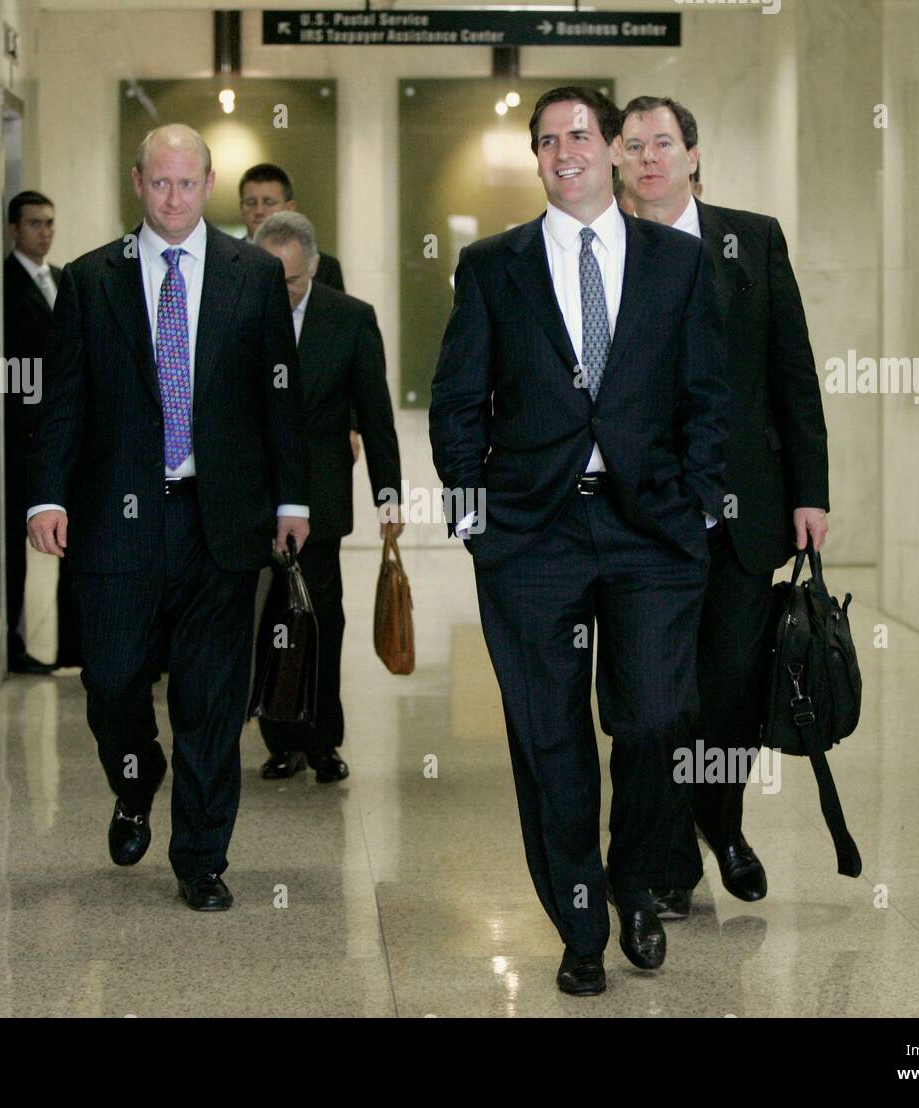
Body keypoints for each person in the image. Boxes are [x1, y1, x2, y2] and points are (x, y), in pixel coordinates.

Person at [428, 87, 727, 996]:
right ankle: (582, 919)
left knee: (653, 718)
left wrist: (701, 502)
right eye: (547, 139)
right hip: (532, 535)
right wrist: (476, 516)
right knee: (547, 736)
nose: (565, 151)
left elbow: (709, 393)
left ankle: (636, 880)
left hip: (651, 533)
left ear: (615, 150)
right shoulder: (492, 265)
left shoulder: (678, 262)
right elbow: (455, 400)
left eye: (581, 135)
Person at [26, 123, 309, 912]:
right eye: (160, 184)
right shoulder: (91, 280)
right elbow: (64, 404)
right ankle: (135, 773)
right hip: (117, 520)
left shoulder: (252, 274)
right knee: (113, 680)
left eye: (188, 184)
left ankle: (201, 858)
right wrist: (46, 496)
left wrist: (293, 497)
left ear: (208, 182)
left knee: (212, 698)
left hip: (219, 520)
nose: (174, 199)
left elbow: (278, 395)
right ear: (136, 181)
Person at [620, 96, 829, 917]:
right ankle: (668, 857)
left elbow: (793, 374)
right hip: (645, 517)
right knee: (655, 694)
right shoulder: (608, 250)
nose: (648, 158)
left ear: (694, 155)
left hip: (743, 513)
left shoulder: (752, 238)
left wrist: (810, 490)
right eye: (632, 146)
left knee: (733, 687)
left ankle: (723, 822)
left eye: (662, 143)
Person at [251, 211, 402, 783]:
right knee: (270, 618)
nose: (279, 289)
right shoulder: (241, 310)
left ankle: (321, 739)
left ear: (314, 268)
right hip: (254, 495)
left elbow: (378, 416)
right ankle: (278, 737)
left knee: (320, 618)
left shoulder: (350, 320)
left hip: (321, 497)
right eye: (271, 276)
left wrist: (389, 497)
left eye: (289, 279)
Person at [3, 190, 80, 674]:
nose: (44, 232)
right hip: (18, 436)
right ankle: (10, 646)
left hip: (58, 432)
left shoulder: (58, 279)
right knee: (15, 545)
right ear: (14, 229)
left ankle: (72, 647)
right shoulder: (2, 285)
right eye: (34, 223)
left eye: (50, 222)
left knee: (71, 541)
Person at [237, 164, 345, 292]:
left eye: (269, 202)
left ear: (290, 208)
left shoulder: (325, 268)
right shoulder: (224, 261)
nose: (259, 210)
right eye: (251, 202)